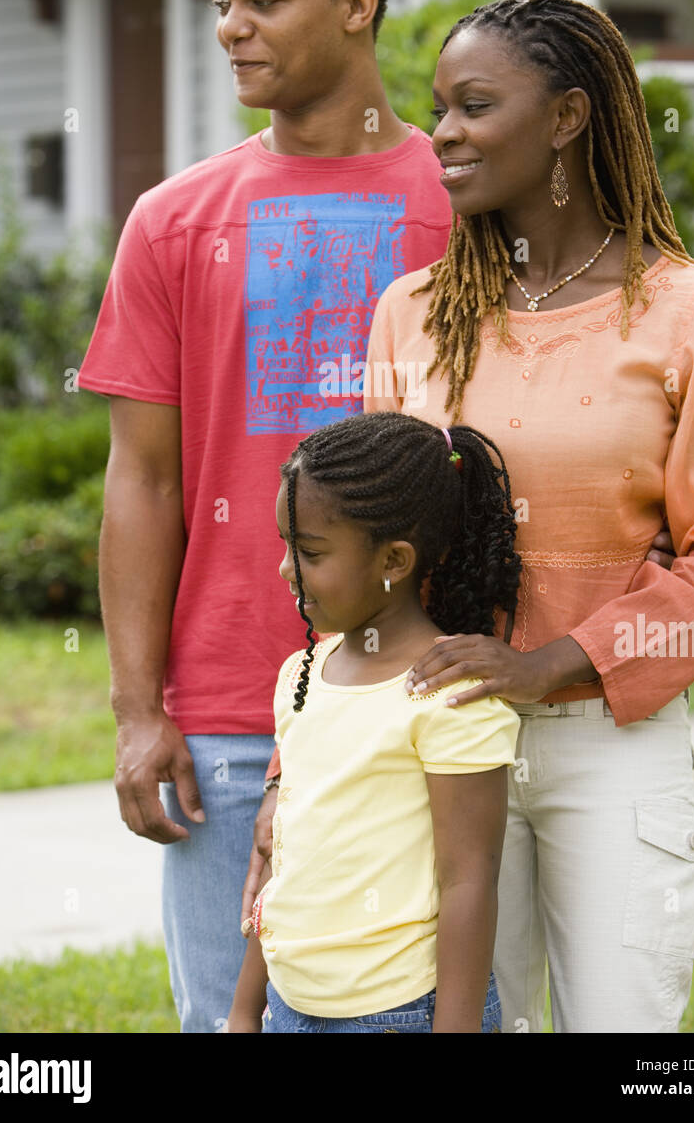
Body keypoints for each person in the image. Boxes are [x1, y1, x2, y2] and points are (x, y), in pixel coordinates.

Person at [76, 0, 456, 1032]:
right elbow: (141, 479)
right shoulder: (173, 218)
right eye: (220, 1)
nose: (231, 24)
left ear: (356, 5)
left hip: (436, 695)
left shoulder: (467, 200)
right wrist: (141, 708)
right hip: (235, 713)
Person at [359, 0, 694, 1033]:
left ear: (566, 117)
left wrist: (545, 666)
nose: (441, 134)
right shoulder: (409, 314)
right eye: (437, 109)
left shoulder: (689, 311)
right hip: (443, 733)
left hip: (610, 738)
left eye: (473, 106)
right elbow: (364, 554)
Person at [228, 411, 521, 1033]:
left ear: (394, 559)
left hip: (398, 1015)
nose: (286, 569)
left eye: (307, 552)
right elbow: (283, 858)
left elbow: (469, 880)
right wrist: (243, 1009)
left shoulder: (451, 696)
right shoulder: (300, 674)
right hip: (289, 1007)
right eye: (287, 546)